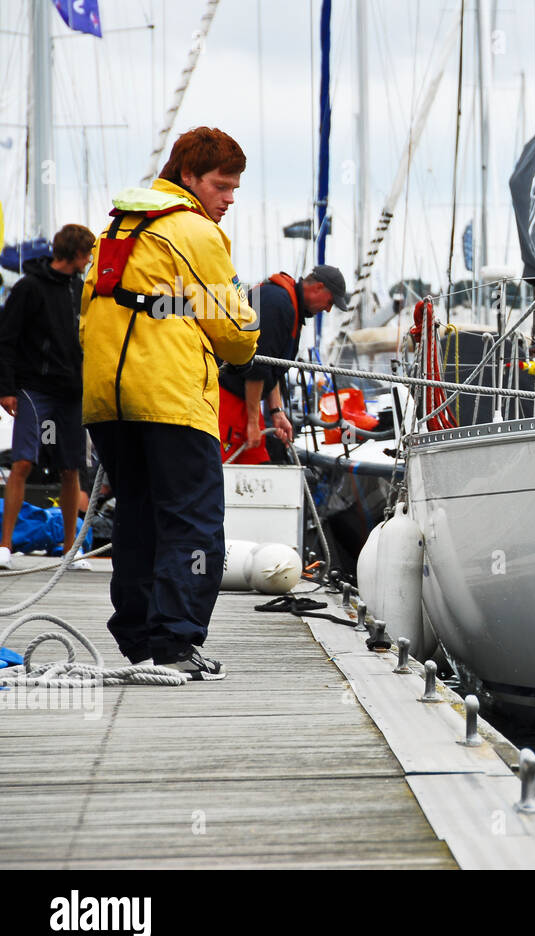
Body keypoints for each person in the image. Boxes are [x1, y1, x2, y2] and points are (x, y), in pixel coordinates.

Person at [80, 126, 259, 681]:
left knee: (137, 515)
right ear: (188, 178)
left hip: (108, 401)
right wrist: (246, 334)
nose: (229, 198)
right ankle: (177, 640)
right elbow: (234, 330)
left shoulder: (115, 230)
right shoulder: (194, 233)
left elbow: (86, 319)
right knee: (193, 522)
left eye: (233, 188)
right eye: (221, 185)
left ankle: (138, 638)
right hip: (171, 399)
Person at [0, 224, 97, 570]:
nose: (89, 260)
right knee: (23, 462)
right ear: (75, 254)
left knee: (71, 469)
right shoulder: (29, 287)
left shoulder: (79, 289)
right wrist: (6, 388)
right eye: (87, 254)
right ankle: (5, 547)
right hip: (34, 388)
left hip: (71, 391)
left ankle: (71, 550)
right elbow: (6, 337)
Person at [217, 265, 348, 464]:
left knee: (261, 467)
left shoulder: (288, 304)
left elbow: (271, 367)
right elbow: (257, 367)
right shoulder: (277, 302)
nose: (328, 309)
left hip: (246, 404)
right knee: (221, 473)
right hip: (226, 403)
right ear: (318, 288)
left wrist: (276, 412)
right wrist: (252, 423)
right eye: (330, 302)